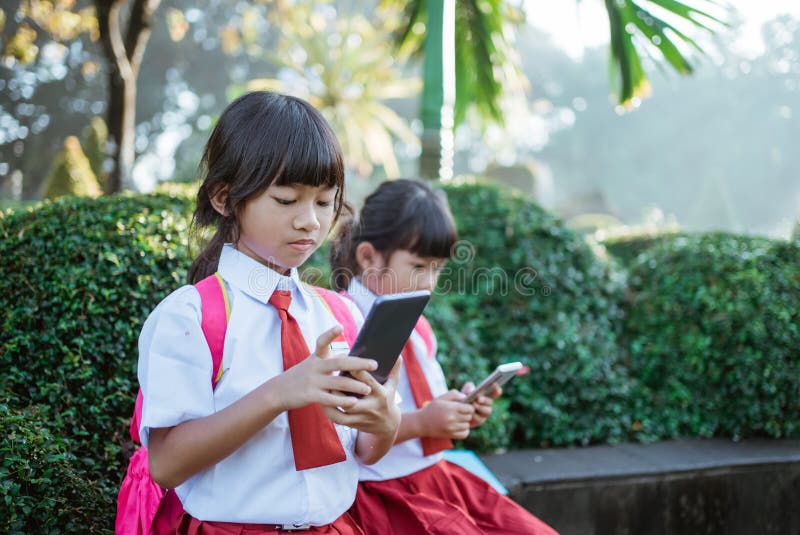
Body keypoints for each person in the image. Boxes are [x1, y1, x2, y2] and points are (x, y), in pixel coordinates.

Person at [137, 91, 401, 534]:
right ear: (224, 198)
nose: (310, 221)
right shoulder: (192, 317)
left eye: (323, 201)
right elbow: (166, 463)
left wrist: (385, 420)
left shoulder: (340, 315)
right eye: (286, 200)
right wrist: (280, 392)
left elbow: (366, 450)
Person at [330, 179, 558, 535]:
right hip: (385, 492)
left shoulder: (417, 326)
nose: (429, 282)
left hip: (438, 477)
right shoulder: (343, 324)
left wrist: (461, 408)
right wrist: (423, 422)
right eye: (419, 266)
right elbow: (342, 435)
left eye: (437, 269)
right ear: (368, 257)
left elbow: (424, 404)